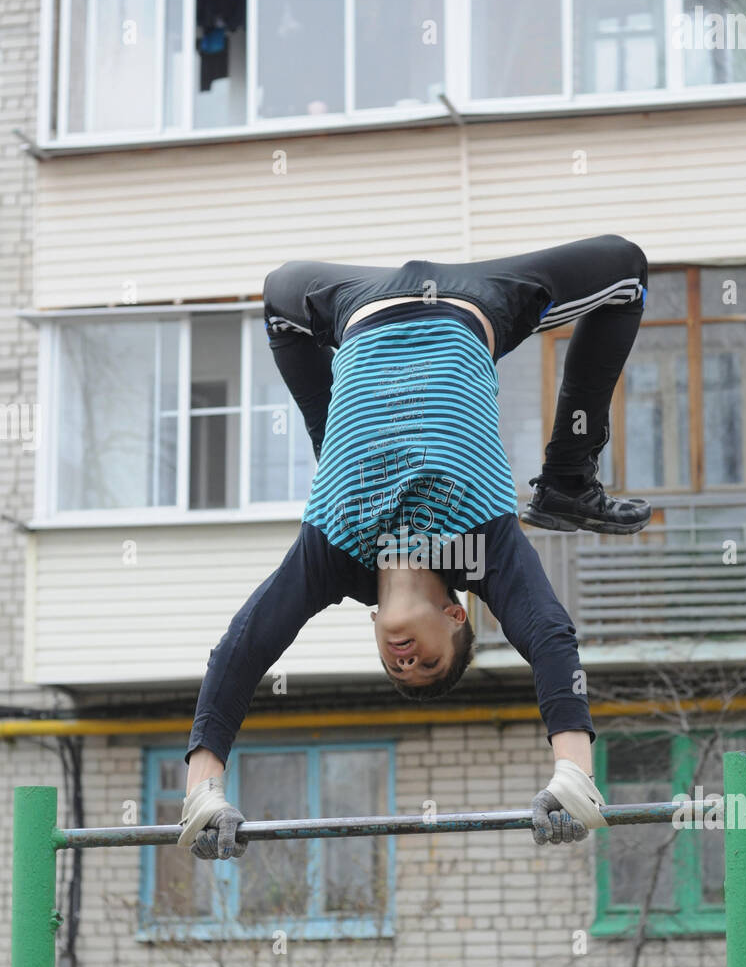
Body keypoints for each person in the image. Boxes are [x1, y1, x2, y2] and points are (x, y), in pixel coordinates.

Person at [179, 235, 649, 859]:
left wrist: (202, 790)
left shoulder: (333, 558)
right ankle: (568, 480)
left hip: (358, 309)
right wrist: (574, 775)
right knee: (626, 269)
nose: (406, 661)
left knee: (279, 292)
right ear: (457, 615)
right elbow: (548, 635)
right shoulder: (479, 548)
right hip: (474, 305)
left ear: (374, 626)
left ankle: (337, 451)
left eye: (397, 666)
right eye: (427, 662)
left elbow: (244, 646)